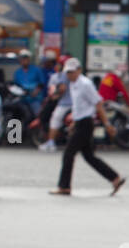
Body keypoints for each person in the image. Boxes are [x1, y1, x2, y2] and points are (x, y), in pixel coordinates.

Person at [49, 59, 124, 197]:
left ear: (79, 70)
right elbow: (79, 106)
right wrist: (74, 123)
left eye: (72, 72)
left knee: (68, 154)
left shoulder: (85, 84)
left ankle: (64, 187)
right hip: (79, 122)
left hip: (86, 124)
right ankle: (115, 178)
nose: (69, 75)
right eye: (67, 72)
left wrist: (107, 124)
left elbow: (98, 103)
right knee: (89, 157)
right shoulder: (73, 84)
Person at [40, 60, 72, 153]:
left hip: (65, 103)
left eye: (58, 64)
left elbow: (62, 89)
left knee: (55, 120)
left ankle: (51, 142)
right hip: (75, 104)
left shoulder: (63, 74)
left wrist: (55, 95)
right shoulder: (76, 76)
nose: (57, 66)